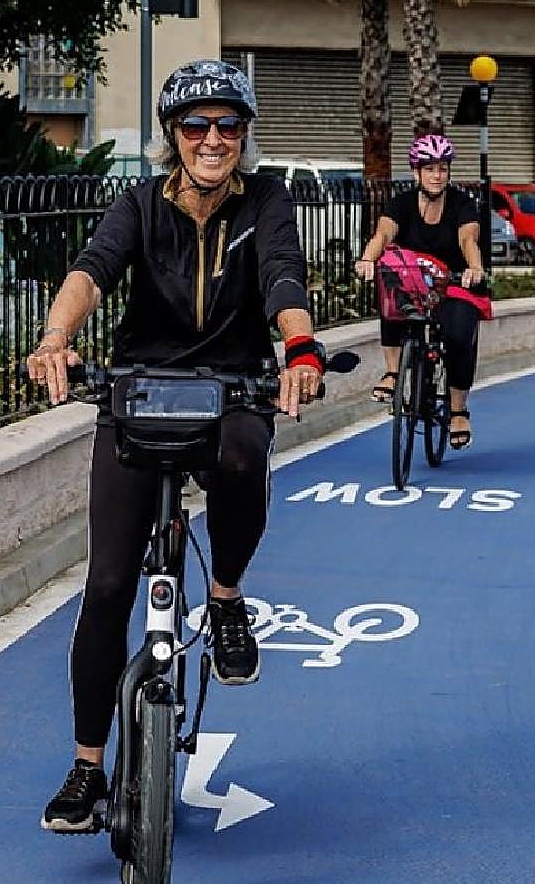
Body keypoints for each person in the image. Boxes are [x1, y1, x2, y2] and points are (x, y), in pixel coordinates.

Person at [25, 59, 328, 833]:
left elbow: (284, 280)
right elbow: (91, 273)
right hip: (141, 392)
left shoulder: (266, 201)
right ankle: (89, 769)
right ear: (173, 136)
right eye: (197, 125)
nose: (213, 139)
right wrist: (58, 336)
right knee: (105, 589)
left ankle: (226, 600)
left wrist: (299, 349)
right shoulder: (138, 205)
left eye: (229, 125)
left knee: (239, 457)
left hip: (233, 388)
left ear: (245, 135)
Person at [355, 132, 487, 449]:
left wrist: (475, 268)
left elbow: (468, 240)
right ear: (417, 172)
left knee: (458, 337)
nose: (436, 175)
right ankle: (391, 372)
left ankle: (457, 410)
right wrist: (367, 259)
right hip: (413, 282)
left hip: (453, 283)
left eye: (442, 168)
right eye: (429, 168)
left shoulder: (463, 204)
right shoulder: (401, 203)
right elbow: (383, 235)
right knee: (390, 286)